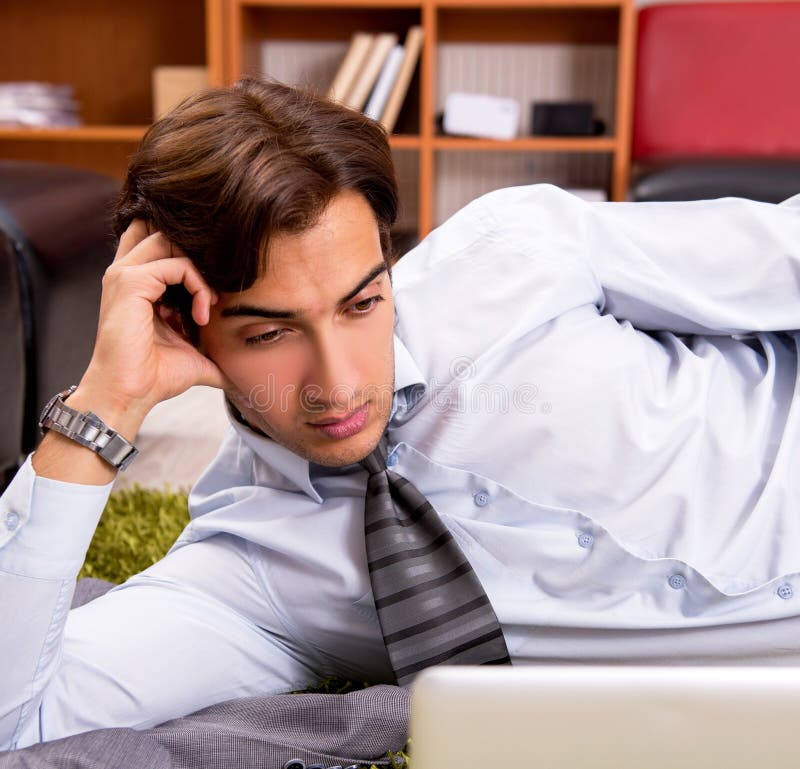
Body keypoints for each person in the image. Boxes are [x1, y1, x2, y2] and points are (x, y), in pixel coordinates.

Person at [2, 75, 800, 753]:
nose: (341, 384)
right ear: (183, 317)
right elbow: (17, 720)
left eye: (362, 303)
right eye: (271, 331)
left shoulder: (518, 257)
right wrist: (105, 404)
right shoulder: (253, 570)